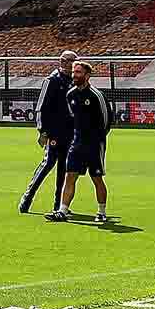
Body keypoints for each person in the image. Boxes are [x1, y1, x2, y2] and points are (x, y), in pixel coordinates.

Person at [49, 60, 111, 224]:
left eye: (78, 72)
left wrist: (97, 139)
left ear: (87, 75)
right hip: (76, 144)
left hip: (95, 144)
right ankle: (62, 210)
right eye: (74, 72)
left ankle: (102, 212)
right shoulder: (71, 94)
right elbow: (72, 118)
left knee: (96, 178)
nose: (74, 75)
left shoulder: (97, 96)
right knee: (70, 177)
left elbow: (107, 121)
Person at [20, 51, 76, 214]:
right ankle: (27, 197)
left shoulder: (73, 81)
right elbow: (40, 108)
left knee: (64, 169)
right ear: (64, 62)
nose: (74, 64)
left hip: (69, 133)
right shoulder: (51, 80)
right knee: (48, 163)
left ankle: (59, 205)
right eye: (72, 61)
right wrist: (42, 131)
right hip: (54, 132)